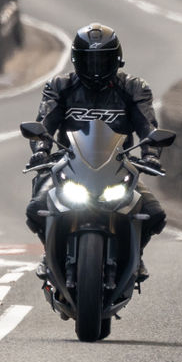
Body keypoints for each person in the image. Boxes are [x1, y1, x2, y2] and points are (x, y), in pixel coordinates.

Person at [26, 23, 167, 277]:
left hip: (118, 166)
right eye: (89, 61)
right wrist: (40, 149)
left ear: (117, 59)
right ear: (76, 60)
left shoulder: (134, 88)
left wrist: (151, 156)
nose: (96, 68)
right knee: (36, 209)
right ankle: (49, 253)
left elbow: (149, 128)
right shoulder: (59, 86)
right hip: (67, 165)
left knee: (154, 214)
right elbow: (43, 124)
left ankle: (136, 257)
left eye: (102, 60)